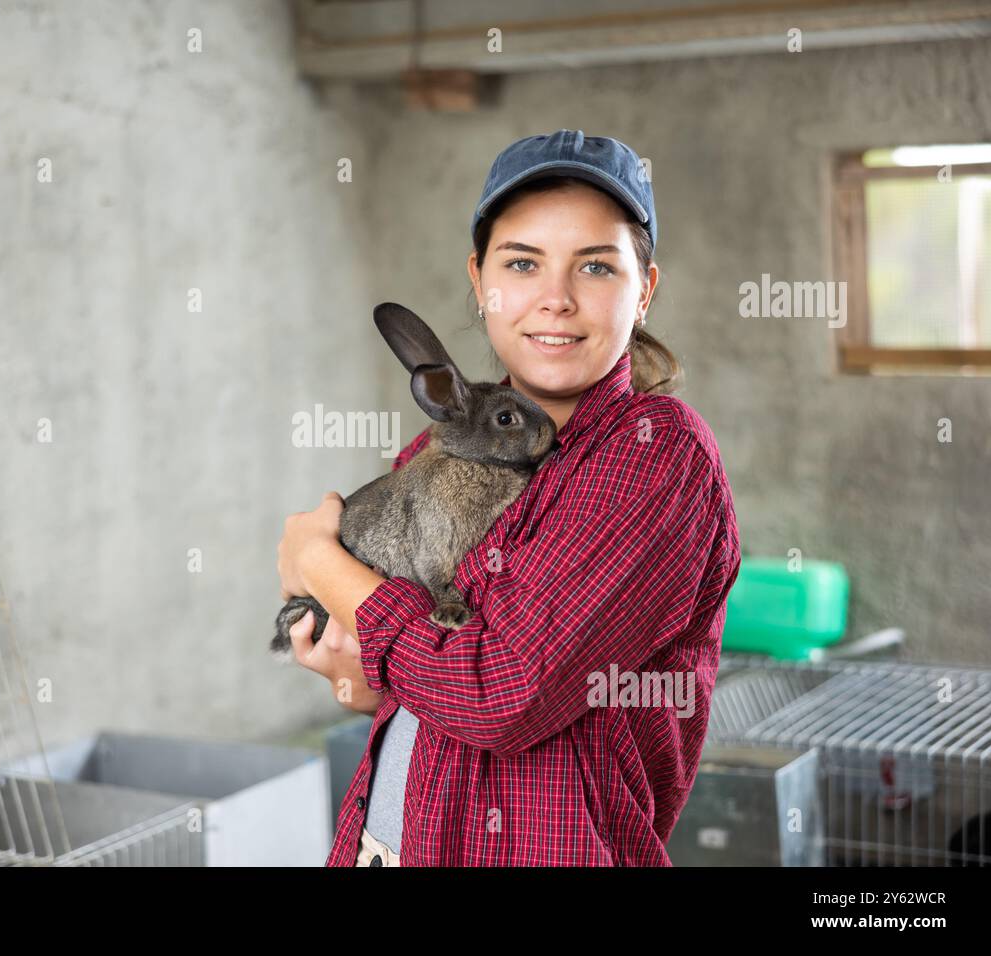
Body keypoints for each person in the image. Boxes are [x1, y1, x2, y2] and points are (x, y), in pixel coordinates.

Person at [277, 130, 741, 867]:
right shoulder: (436, 448)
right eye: (522, 263)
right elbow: (391, 676)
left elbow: (502, 692)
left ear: (645, 289)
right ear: (479, 277)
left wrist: (317, 558)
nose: (554, 300)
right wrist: (356, 673)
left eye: (595, 266)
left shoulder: (656, 452)